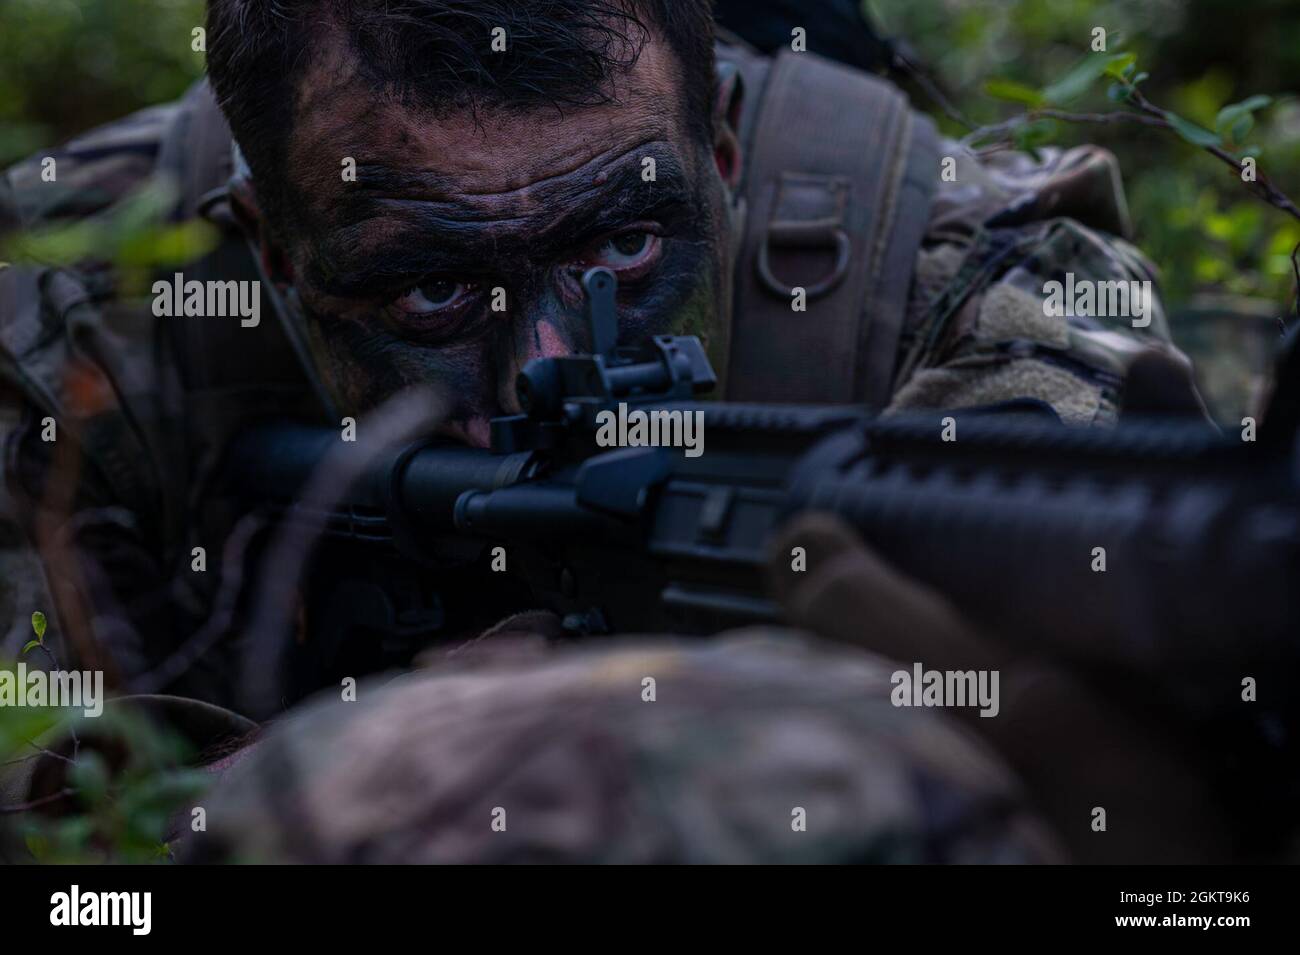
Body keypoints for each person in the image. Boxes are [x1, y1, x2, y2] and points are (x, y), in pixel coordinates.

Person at [0, 1, 1213, 862]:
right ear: (270, 244)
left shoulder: (973, 275)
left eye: (627, 246)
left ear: (719, 149)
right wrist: (402, 753)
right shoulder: (61, 309)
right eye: (430, 290)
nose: (548, 369)